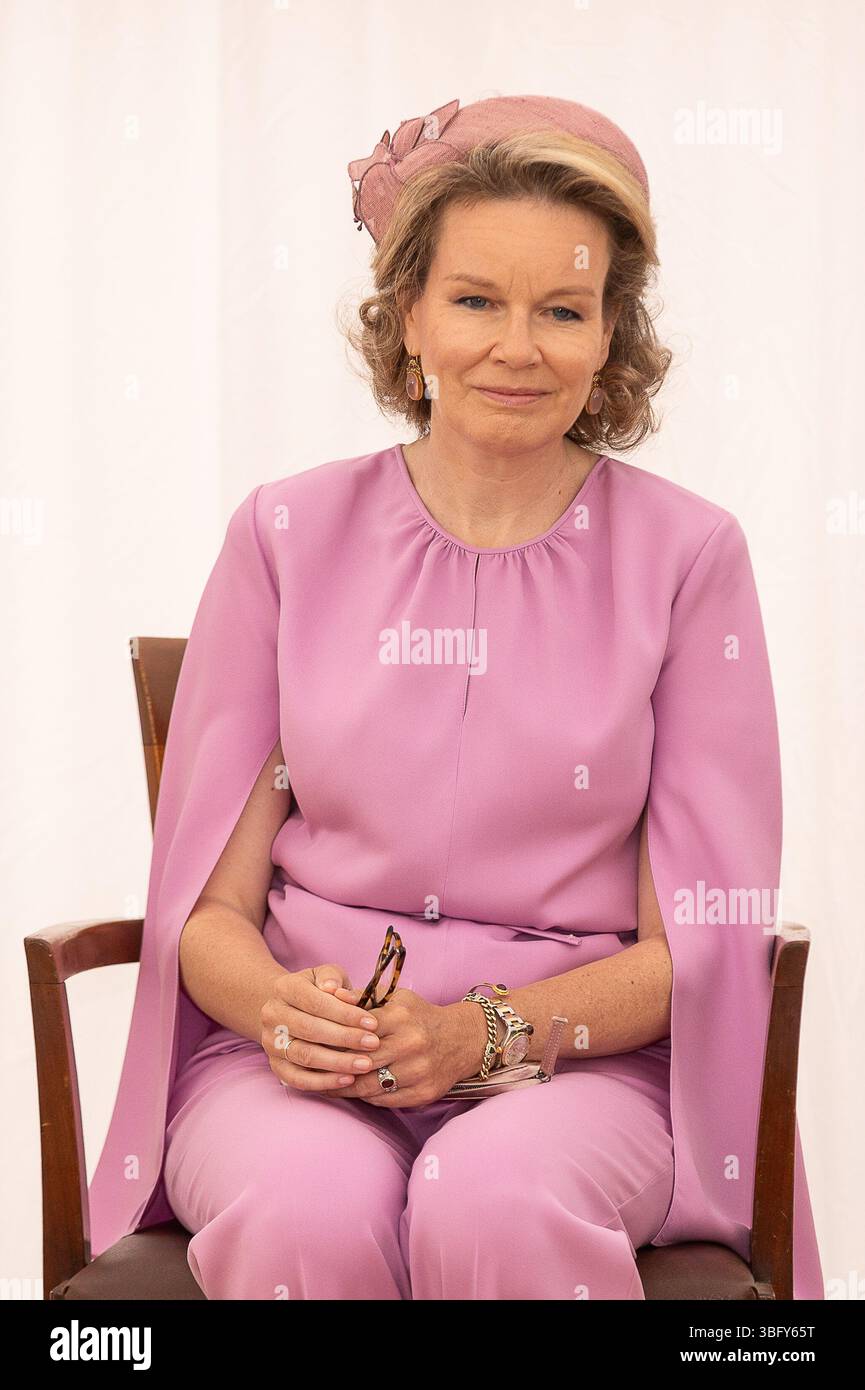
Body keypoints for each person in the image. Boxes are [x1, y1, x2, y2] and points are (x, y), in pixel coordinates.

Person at [88, 94, 823, 1299]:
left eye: (563, 310)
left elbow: (698, 937)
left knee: (493, 1198)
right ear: (412, 315)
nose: (516, 347)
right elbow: (205, 914)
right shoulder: (284, 536)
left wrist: (486, 1031)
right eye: (476, 299)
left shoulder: (690, 559)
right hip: (293, 1073)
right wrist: (282, 1009)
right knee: (300, 1210)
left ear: (608, 335)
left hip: (583, 1072)